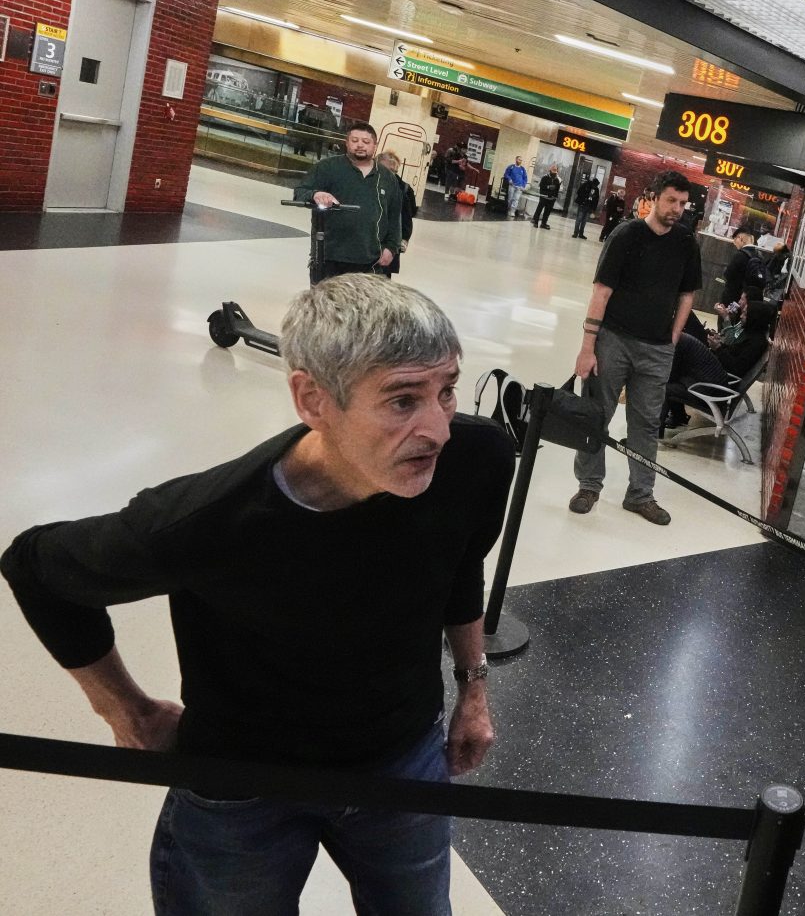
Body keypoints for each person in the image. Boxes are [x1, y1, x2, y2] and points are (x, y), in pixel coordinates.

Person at [0, 276, 514, 913]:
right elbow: (34, 566)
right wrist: (126, 711)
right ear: (312, 399)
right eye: (403, 400)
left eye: (446, 391)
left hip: (402, 765)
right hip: (241, 789)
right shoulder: (203, 522)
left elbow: (460, 566)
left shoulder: (478, 459)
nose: (438, 428)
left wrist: (473, 688)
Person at [570, 170, 703, 525]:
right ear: (655, 197)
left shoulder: (686, 243)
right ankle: (589, 485)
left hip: (657, 349)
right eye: (671, 201)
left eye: (683, 203)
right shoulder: (625, 235)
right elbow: (601, 292)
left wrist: (674, 336)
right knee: (597, 412)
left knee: (645, 424)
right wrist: (588, 348)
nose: (677, 209)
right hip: (613, 340)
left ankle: (640, 494)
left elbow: (687, 294)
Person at [292, 122, 401, 285]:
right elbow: (300, 192)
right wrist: (316, 194)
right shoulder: (327, 168)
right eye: (355, 140)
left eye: (366, 142)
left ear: (375, 146)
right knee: (327, 307)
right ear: (347, 142)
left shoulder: (387, 178)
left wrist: (391, 248)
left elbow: (394, 216)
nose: (360, 145)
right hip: (328, 256)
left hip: (369, 260)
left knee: (362, 309)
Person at [664, 300, 774, 429]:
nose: (741, 316)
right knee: (679, 361)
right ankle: (677, 416)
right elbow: (735, 356)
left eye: (745, 314)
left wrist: (719, 349)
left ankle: (667, 420)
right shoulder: (753, 336)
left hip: (715, 389)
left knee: (669, 379)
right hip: (716, 379)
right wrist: (720, 345)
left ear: (755, 318)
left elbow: (735, 368)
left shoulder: (756, 343)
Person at [378, 150, 417, 278]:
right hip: (365, 241)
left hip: (389, 241)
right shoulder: (367, 183)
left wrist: (404, 239)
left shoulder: (404, 189)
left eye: (394, 171)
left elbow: (408, 216)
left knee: (383, 278)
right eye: (386, 169)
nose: (390, 174)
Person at [719, 231, 769, 304]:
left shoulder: (740, 255)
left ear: (741, 239)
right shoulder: (760, 255)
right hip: (750, 298)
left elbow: (728, 274)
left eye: (736, 239)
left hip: (733, 295)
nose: (734, 242)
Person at [571, 172, 601, 239]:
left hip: (589, 207)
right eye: (595, 185)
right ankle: (575, 233)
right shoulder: (585, 185)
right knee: (579, 219)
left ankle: (581, 234)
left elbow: (596, 199)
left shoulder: (596, 189)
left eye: (596, 186)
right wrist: (586, 196)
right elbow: (579, 192)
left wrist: (593, 209)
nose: (595, 186)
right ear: (592, 183)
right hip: (582, 204)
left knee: (584, 221)